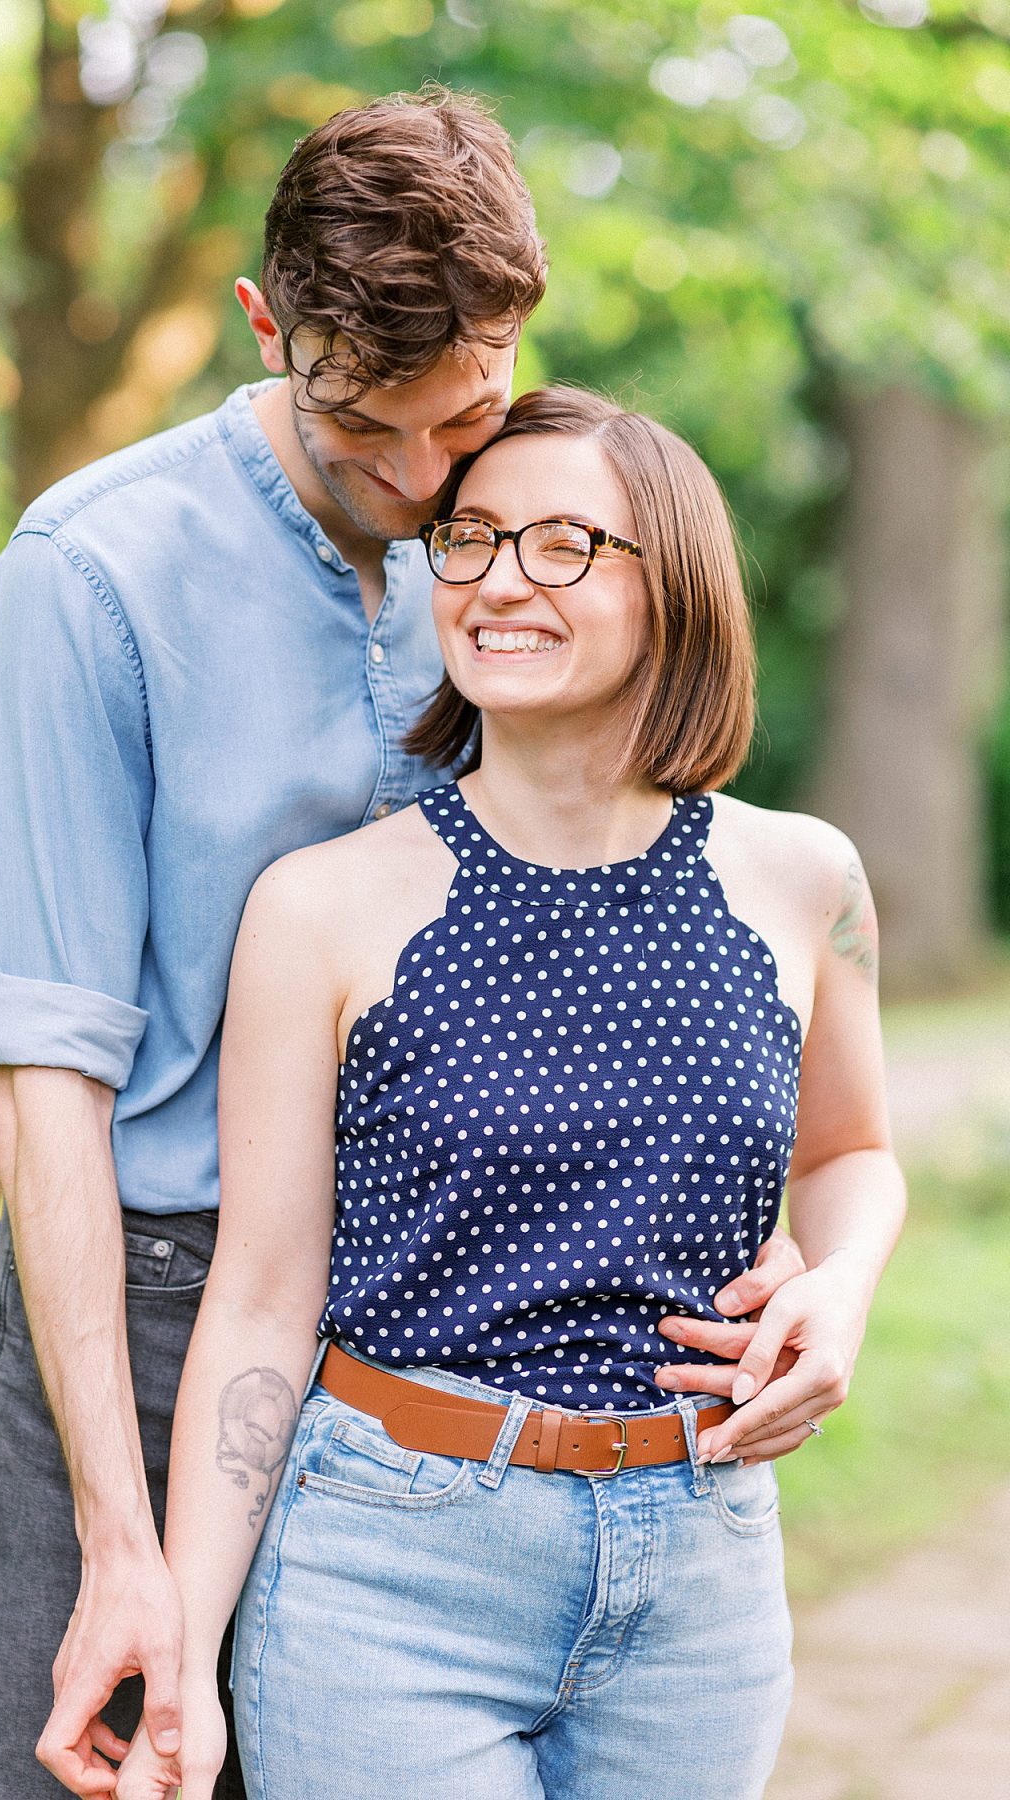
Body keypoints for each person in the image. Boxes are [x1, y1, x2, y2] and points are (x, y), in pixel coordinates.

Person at [0, 91, 807, 1800]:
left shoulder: (509, 548)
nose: (424, 487)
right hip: (158, 1296)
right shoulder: (91, 573)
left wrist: (810, 1265)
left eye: (459, 418)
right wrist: (124, 1538)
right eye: (367, 430)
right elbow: (51, 1080)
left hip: (441, 1318)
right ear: (269, 327)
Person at [112, 386, 906, 1800]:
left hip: (703, 1577)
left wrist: (838, 1291)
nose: (495, 582)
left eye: (561, 544)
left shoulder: (807, 882)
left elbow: (853, 1154)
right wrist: (182, 1631)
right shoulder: (320, 909)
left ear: (675, 589)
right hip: (391, 1573)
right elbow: (262, 1291)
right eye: (469, 541)